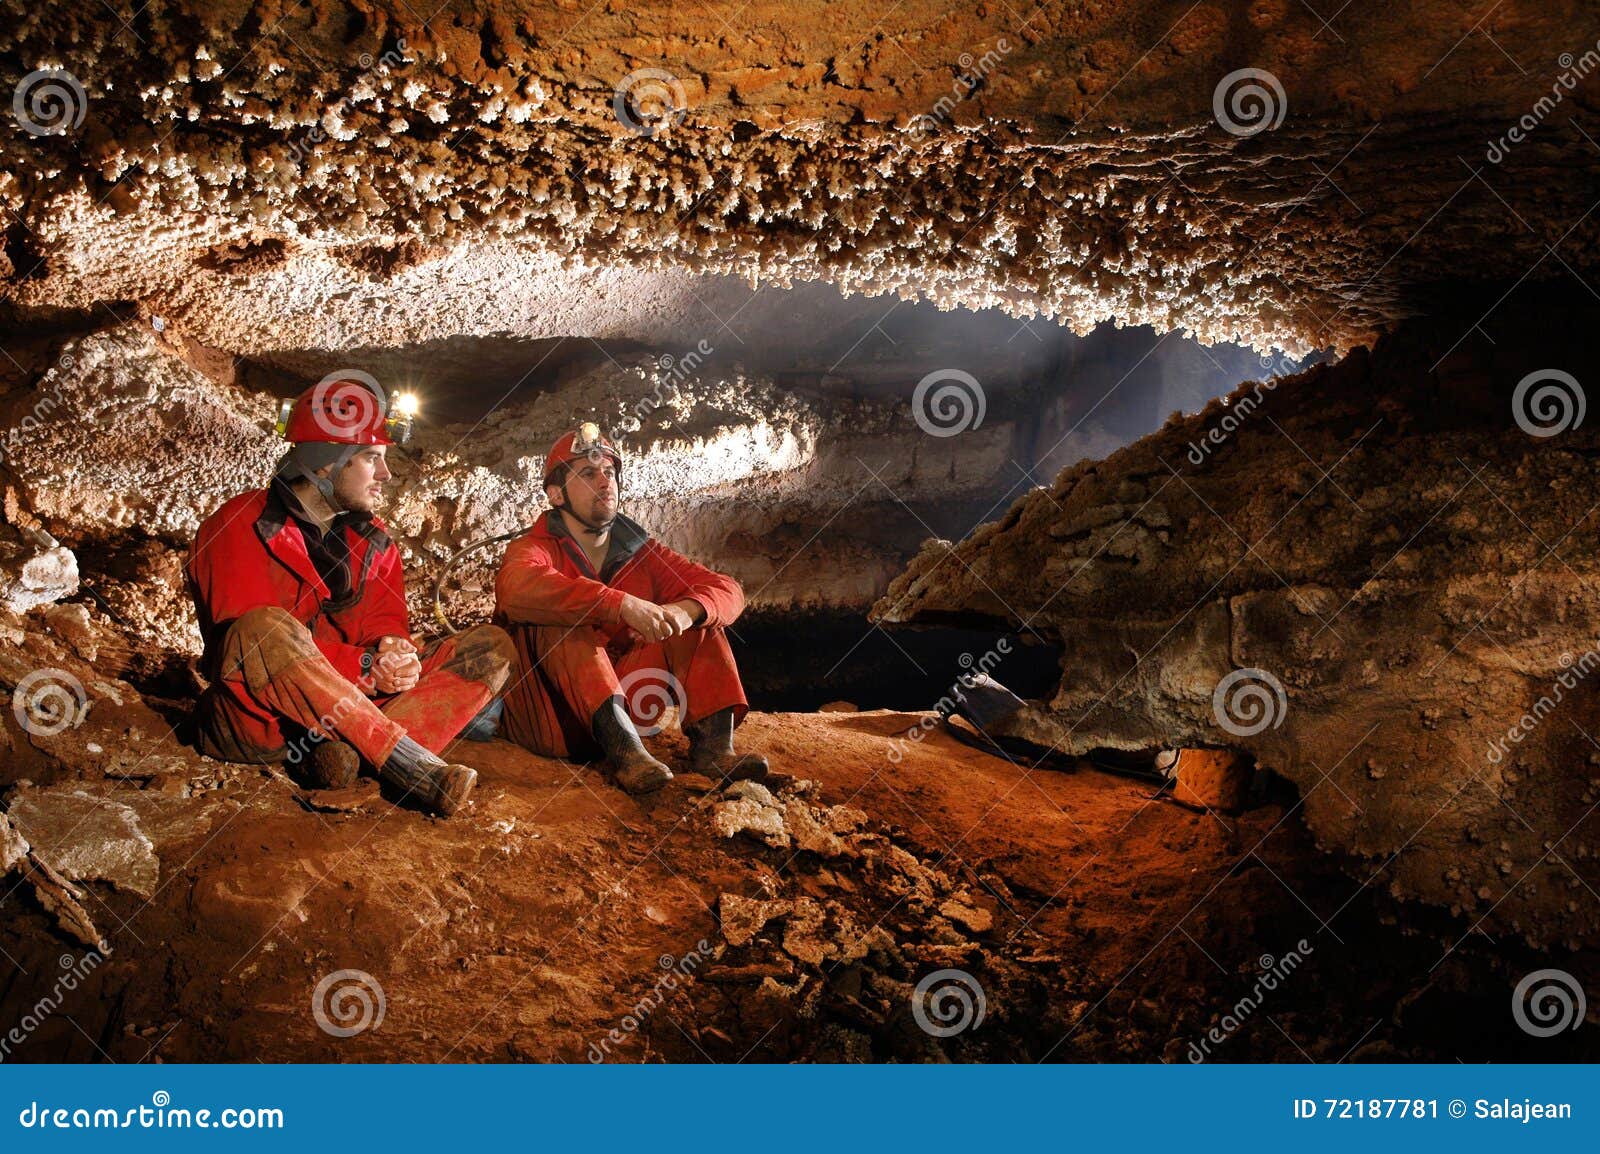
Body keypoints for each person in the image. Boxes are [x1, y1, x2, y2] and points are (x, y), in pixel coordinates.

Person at [185, 376, 514, 816]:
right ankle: (410, 765)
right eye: (371, 458)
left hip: (349, 706)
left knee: (491, 647)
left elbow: (385, 619)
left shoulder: (372, 539)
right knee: (263, 626)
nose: (386, 475)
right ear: (326, 464)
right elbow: (248, 645)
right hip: (261, 722)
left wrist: (394, 650)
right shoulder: (238, 523)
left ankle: (345, 757)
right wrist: (363, 665)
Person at [494, 423, 768, 794]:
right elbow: (517, 589)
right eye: (588, 473)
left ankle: (714, 751)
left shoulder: (642, 552)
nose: (605, 482)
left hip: (630, 709)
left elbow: (727, 590)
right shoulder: (533, 548)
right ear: (556, 494)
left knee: (699, 615)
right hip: (551, 721)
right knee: (560, 619)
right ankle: (625, 755)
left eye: (610, 472)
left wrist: (683, 612)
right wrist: (619, 604)